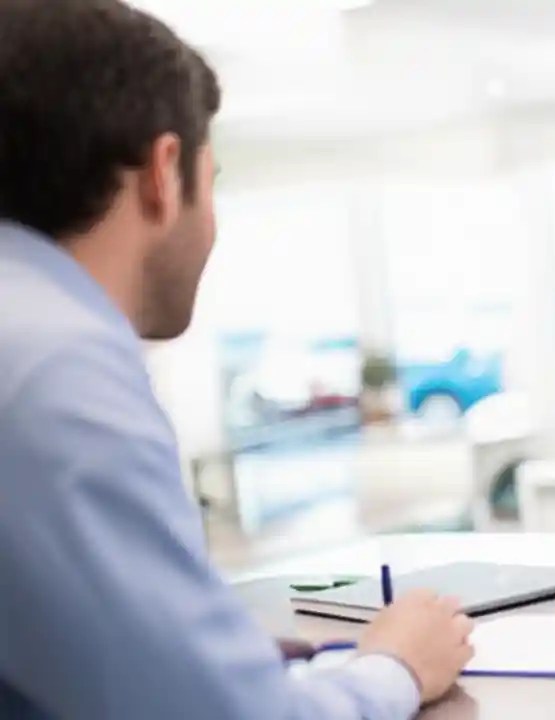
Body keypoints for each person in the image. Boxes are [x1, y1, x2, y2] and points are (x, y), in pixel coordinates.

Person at [0, 2, 472, 717]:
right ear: (164, 173)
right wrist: (398, 664)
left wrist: (188, 646)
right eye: (211, 181)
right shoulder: (58, 372)